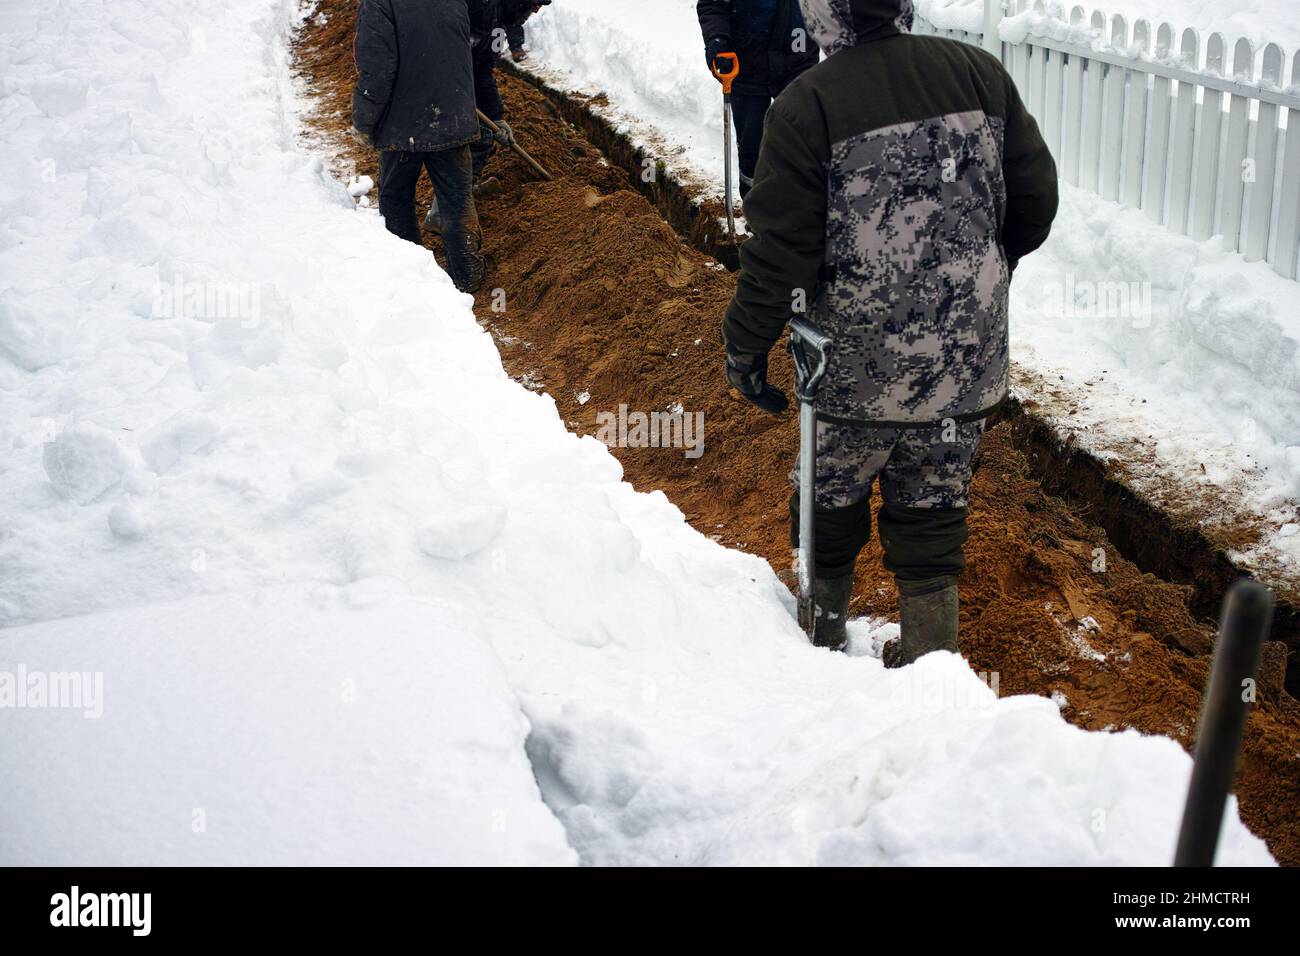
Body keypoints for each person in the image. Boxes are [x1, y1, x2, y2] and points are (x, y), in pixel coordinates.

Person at [722, 0, 1059, 662]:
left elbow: (780, 253)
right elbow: (1036, 201)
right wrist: (981, 276)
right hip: (961, 366)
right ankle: (933, 666)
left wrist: (744, 346)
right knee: (934, 511)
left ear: (821, 15)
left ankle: (817, 655)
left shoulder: (805, 105)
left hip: (853, 378)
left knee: (828, 507)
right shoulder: (980, 74)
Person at [352, 0, 486, 293]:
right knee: (457, 198)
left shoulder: (379, 4)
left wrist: (364, 121)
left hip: (404, 125)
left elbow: (376, 71)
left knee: (396, 197)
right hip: (453, 116)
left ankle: (410, 277)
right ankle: (466, 275)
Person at [424, 1, 551, 233]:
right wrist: (453, 93)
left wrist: (495, 116)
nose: (536, 11)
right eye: (536, 3)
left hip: (459, 81)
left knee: (484, 132)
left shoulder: (499, 22)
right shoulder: (478, 8)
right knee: (459, 137)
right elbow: (440, 48)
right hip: (433, 82)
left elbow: (482, 69)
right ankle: (441, 212)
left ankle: (465, 189)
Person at [695, 0, 819, 198]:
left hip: (798, 65)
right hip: (747, 65)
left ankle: (797, 214)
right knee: (751, 147)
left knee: (799, 146)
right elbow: (713, 4)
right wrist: (717, 40)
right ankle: (755, 207)